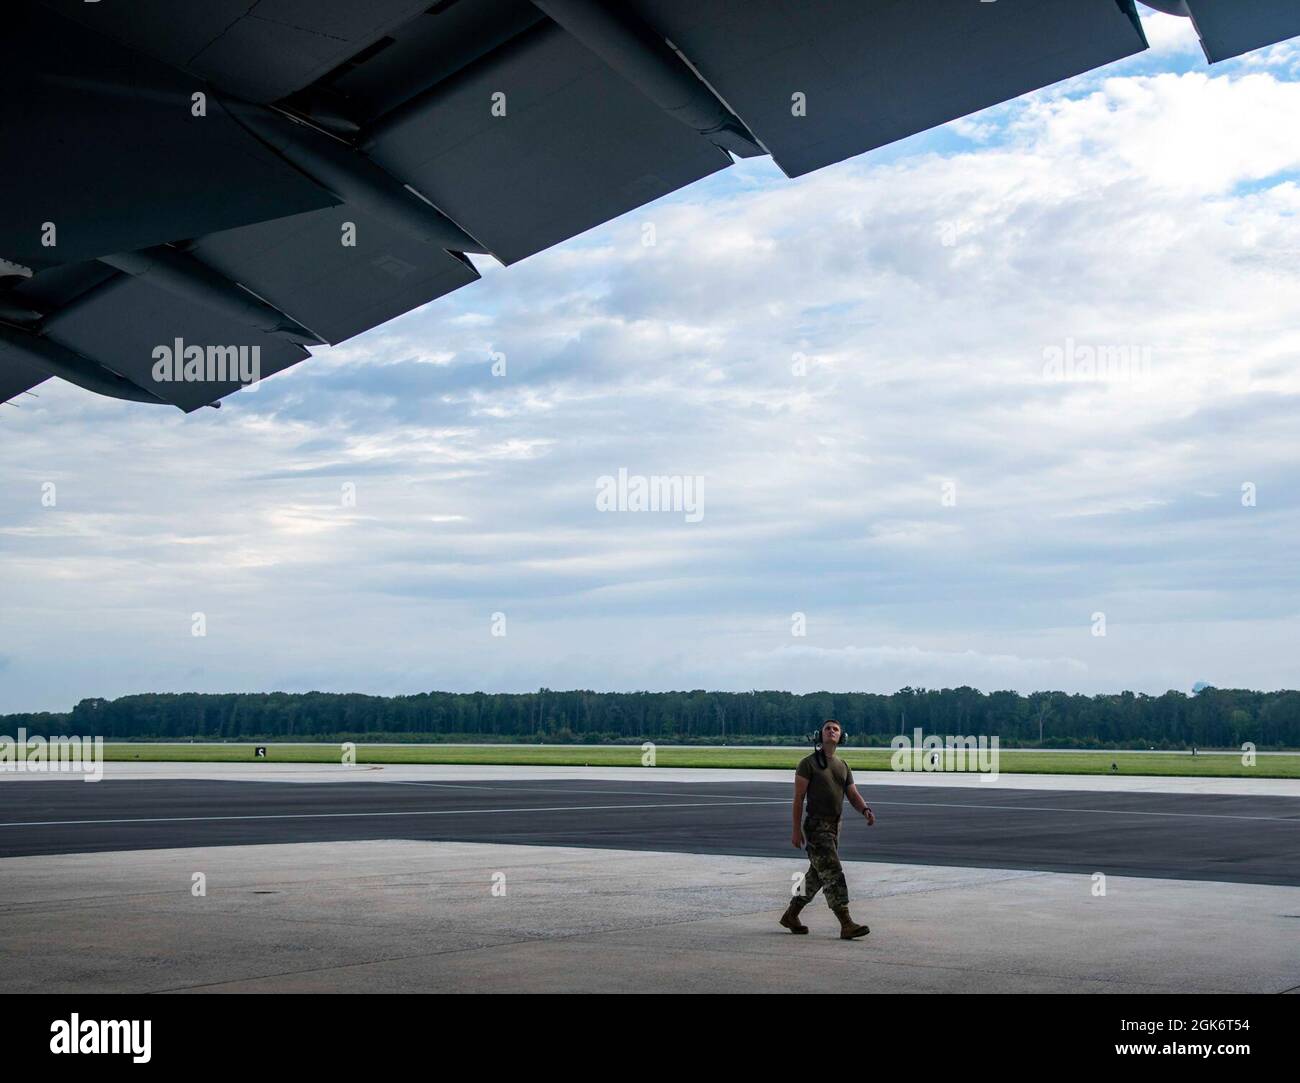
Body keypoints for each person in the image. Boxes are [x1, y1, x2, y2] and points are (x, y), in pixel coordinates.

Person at [780, 719, 875, 939]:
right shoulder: (808, 763)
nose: (831, 731)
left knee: (816, 876)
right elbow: (798, 798)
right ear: (819, 735)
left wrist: (865, 810)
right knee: (833, 872)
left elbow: (852, 793)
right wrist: (796, 830)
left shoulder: (843, 765)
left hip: (834, 827)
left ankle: (791, 915)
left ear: (841, 736)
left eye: (835, 729)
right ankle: (846, 922)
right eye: (827, 729)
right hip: (816, 827)